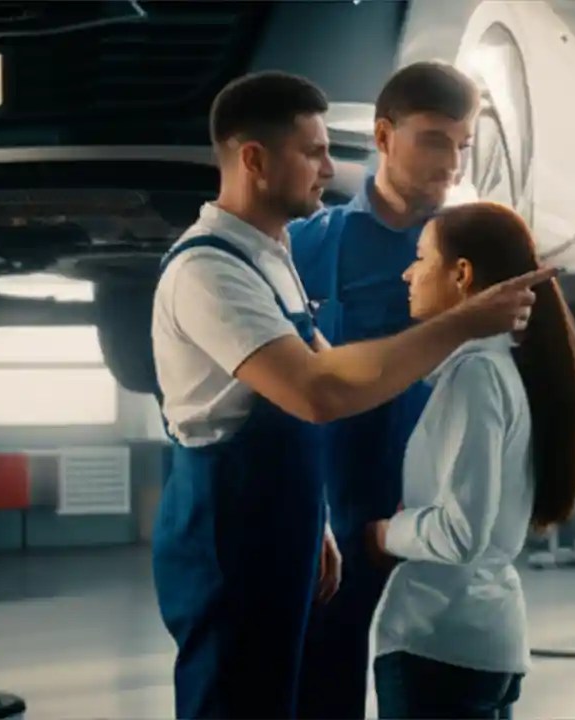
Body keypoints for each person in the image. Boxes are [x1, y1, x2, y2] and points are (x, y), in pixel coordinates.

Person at [148, 71, 552, 720]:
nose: (329, 166)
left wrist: (313, 522)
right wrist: (464, 321)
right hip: (276, 520)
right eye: (313, 152)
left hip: (393, 521)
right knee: (281, 694)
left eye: (463, 146)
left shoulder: (275, 252)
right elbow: (314, 387)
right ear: (386, 138)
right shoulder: (240, 261)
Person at [288, 60, 481, 719]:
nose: (450, 162)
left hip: (439, 527)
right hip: (340, 520)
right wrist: (307, 515)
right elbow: (274, 396)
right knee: (324, 693)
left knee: (441, 698)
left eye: (463, 145)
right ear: (382, 136)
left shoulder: (474, 255)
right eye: (434, 139)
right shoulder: (306, 248)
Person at [365, 201, 575, 719]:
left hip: (439, 648)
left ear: (461, 274)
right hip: (485, 645)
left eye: (421, 258)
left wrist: (386, 533)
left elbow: (460, 534)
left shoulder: (476, 377)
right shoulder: (503, 369)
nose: (408, 272)